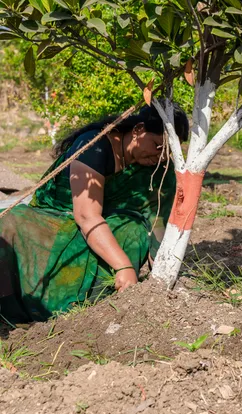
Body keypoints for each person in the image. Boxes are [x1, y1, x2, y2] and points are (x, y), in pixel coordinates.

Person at [0, 105, 189, 323]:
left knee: (133, 230)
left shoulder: (158, 172)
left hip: (103, 228)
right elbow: (86, 216)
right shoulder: (95, 147)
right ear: (138, 129)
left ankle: (92, 309)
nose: (161, 156)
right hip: (52, 218)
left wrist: (163, 272)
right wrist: (124, 266)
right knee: (9, 223)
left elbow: (158, 224)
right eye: (157, 146)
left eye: (169, 152)